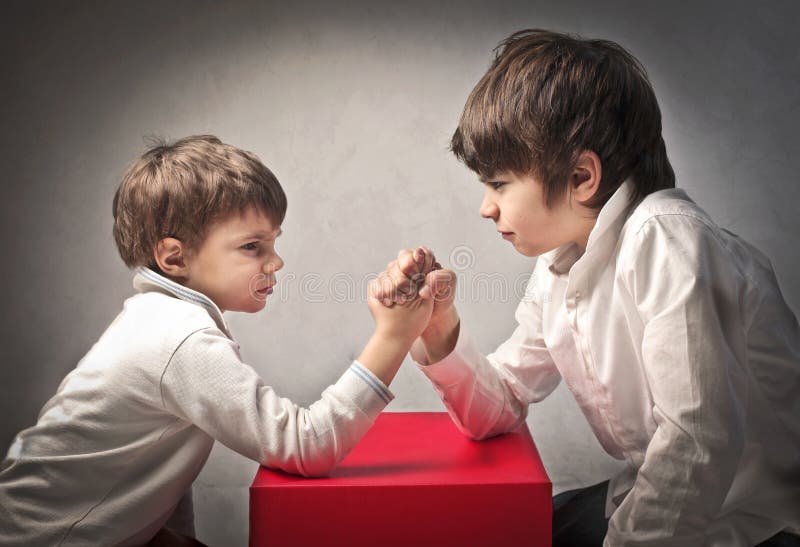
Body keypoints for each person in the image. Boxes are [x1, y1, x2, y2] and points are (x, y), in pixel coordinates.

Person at [376, 30, 800, 546]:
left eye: (500, 184)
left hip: (757, 523)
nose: (486, 208)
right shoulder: (564, 260)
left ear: (581, 176)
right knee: (498, 527)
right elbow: (504, 404)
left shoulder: (667, 238)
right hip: (658, 497)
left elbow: (696, 441)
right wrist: (439, 330)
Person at [0, 135, 435, 546]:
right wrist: (394, 336)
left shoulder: (159, 319)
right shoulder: (180, 337)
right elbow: (305, 445)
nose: (276, 261)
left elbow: (154, 471)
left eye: (273, 243)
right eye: (252, 246)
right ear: (174, 257)